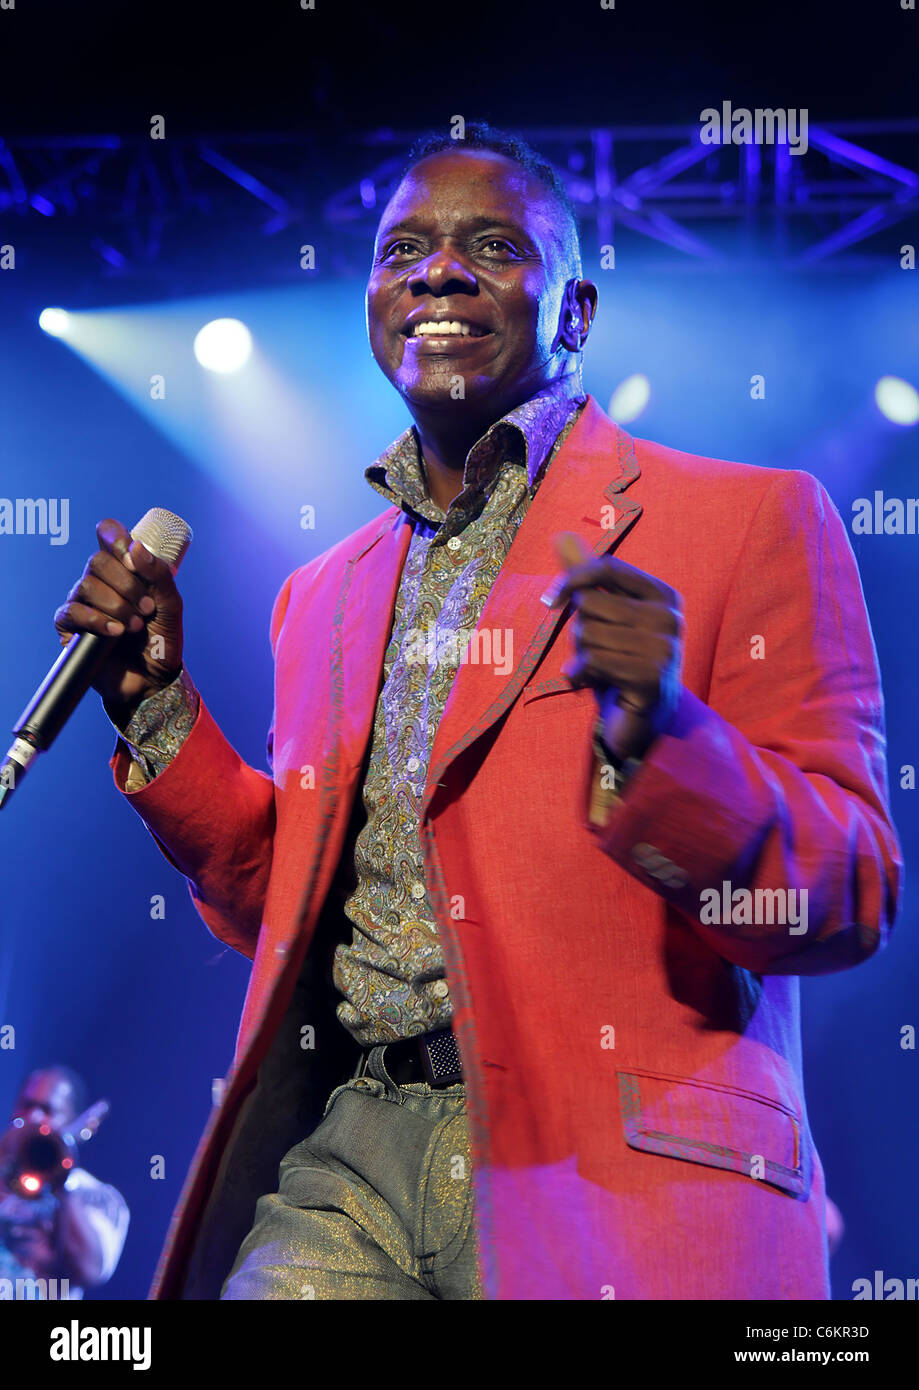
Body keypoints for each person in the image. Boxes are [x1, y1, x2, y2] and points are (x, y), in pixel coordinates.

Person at [54, 121, 900, 1300]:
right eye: (402, 250)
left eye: (493, 246)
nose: (438, 272)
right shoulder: (321, 593)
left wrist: (665, 738)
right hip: (348, 1157)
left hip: (612, 1166)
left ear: (576, 312)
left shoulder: (749, 519)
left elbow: (847, 892)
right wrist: (157, 710)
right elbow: (294, 908)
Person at [0, 1067, 128, 1298]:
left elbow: (89, 1270)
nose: (33, 1117)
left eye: (47, 1110)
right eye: (27, 1106)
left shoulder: (96, 1195)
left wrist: (60, 1182)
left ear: (72, 1121)